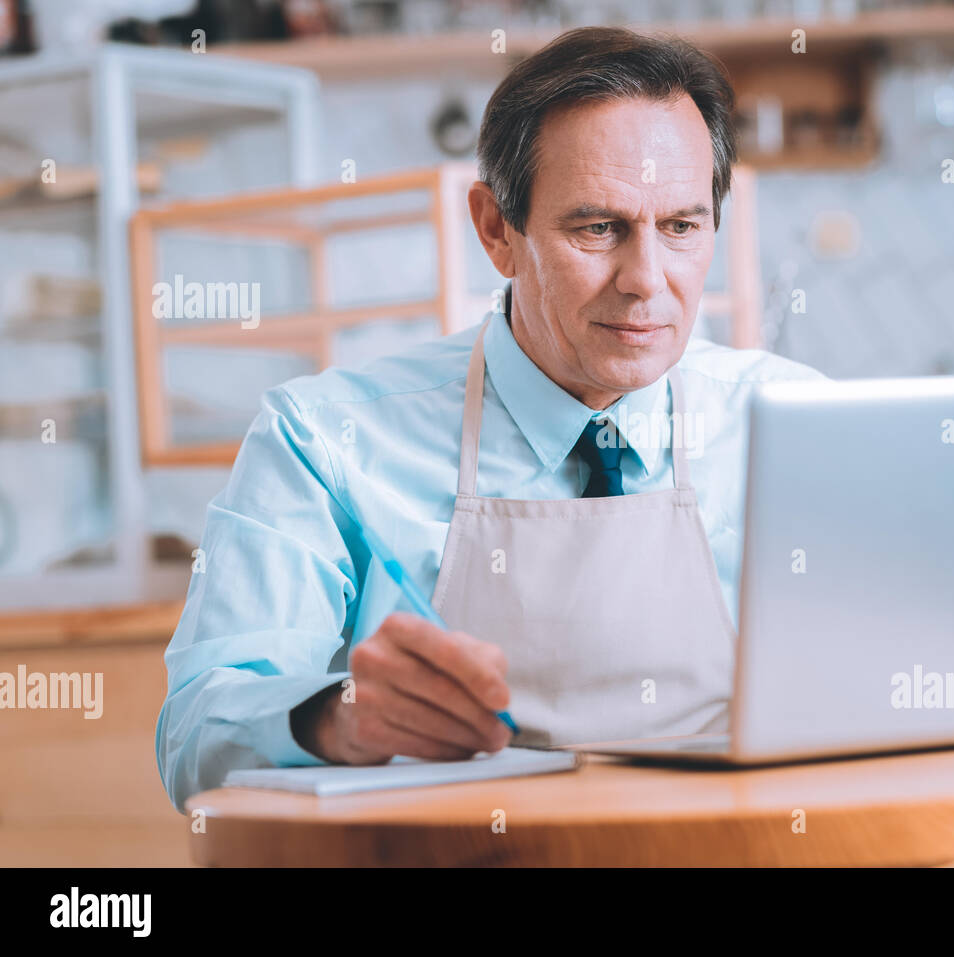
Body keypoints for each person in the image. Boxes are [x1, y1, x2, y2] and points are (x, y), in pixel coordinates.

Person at [156, 25, 826, 811]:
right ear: (496, 230)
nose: (646, 280)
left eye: (680, 226)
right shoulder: (322, 439)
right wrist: (335, 716)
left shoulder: (796, 423)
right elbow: (193, 736)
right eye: (598, 228)